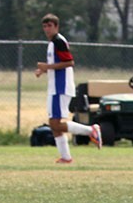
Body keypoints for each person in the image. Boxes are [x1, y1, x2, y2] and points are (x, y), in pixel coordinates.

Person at [34, 14, 102, 164]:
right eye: (45, 26)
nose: (47, 29)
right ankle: (66, 157)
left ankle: (91, 130)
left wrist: (48, 67)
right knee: (54, 124)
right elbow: (57, 63)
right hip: (54, 87)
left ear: (56, 27)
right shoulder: (52, 43)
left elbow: (69, 62)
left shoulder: (58, 41)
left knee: (55, 123)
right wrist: (44, 70)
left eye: (50, 26)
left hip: (60, 87)